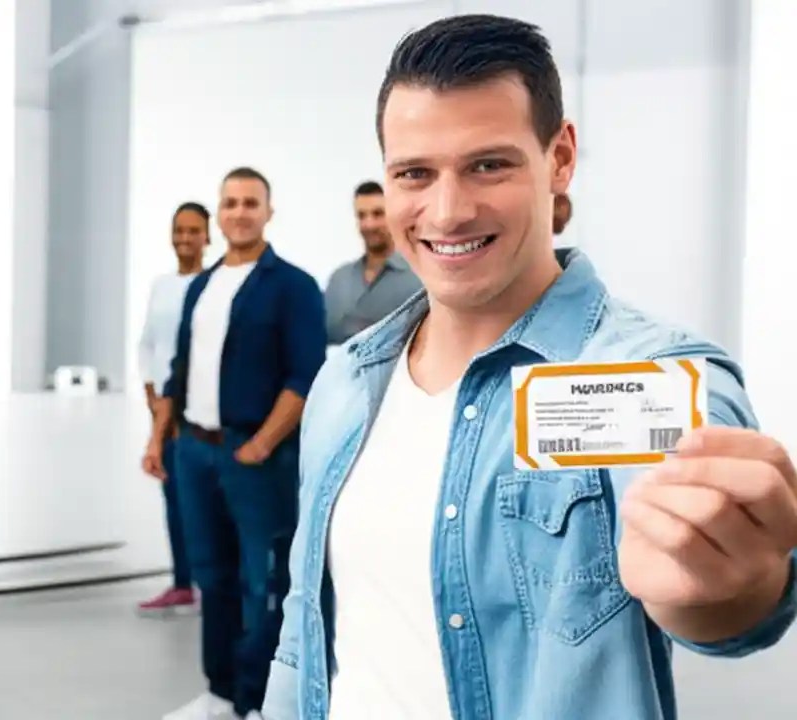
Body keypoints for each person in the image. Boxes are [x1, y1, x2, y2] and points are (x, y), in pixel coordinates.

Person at [263, 14, 797, 720]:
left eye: (489, 164)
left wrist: (727, 587)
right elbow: (306, 633)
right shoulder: (345, 383)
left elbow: (723, 601)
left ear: (561, 157)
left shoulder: (656, 373)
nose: (448, 212)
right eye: (415, 174)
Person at [143, 167, 326, 720]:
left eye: (251, 203)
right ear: (218, 214)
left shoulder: (292, 286)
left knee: (260, 582)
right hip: (194, 450)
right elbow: (176, 369)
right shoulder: (202, 285)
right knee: (211, 576)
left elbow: (305, 374)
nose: (240, 212)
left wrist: (264, 444)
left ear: (268, 211)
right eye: (230, 203)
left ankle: (258, 701)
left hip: (254, 456)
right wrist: (159, 438)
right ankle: (221, 691)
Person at [135, 201, 211, 616]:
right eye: (179, 230)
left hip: (193, 410)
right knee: (174, 500)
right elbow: (148, 345)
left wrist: (178, 409)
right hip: (162, 410)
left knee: (202, 502)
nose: (185, 238)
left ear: (207, 236)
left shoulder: (212, 285)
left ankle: (211, 582)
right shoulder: (162, 285)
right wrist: (152, 401)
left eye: (193, 231)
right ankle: (182, 582)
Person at [323, 180, 422, 344]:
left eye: (378, 214)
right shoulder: (339, 279)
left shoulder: (418, 277)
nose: (369, 224)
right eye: (361, 216)